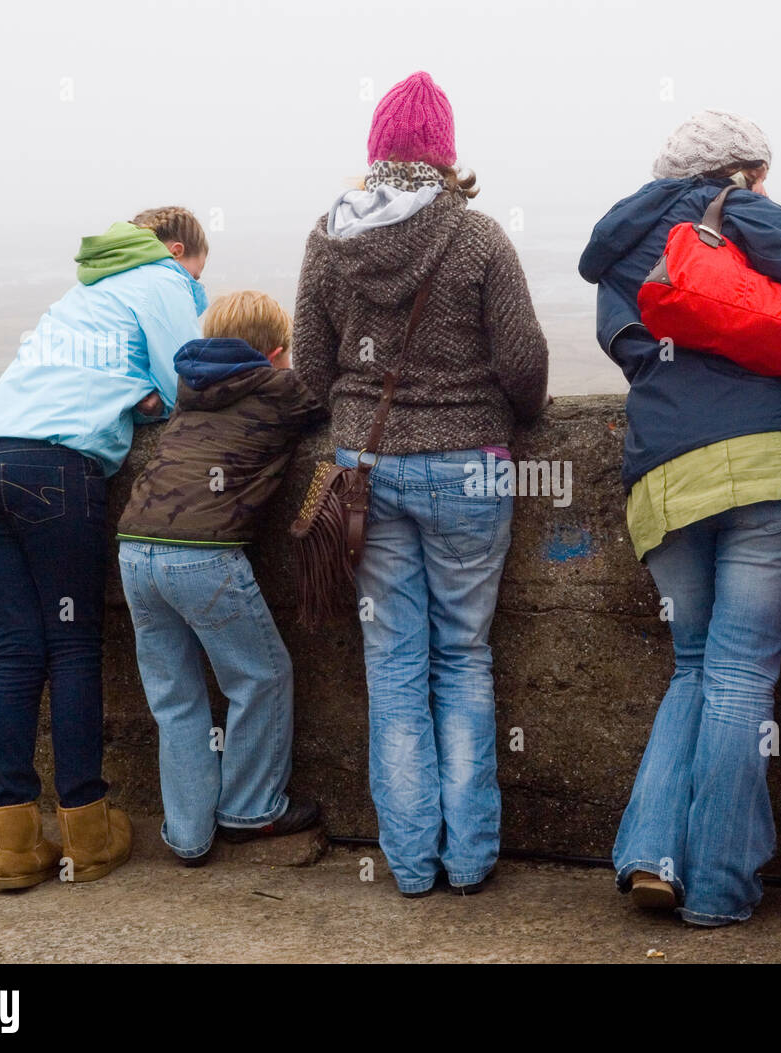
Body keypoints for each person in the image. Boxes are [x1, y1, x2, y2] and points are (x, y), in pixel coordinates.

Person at [578, 110, 781, 926]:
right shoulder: (735, 210)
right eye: (761, 172)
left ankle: (649, 855)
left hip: (660, 480)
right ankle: (723, 886)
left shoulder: (617, 253)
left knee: (693, 666)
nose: (767, 185)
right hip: (765, 470)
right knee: (739, 673)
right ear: (738, 172)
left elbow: (635, 353)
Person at [292, 71, 549, 897]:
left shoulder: (327, 240)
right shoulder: (478, 239)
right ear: (445, 155)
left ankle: (409, 863)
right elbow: (524, 363)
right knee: (464, 656)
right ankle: (470, 858)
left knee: (393, 662)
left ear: (374, 154)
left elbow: (309, 366)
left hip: (367, 473)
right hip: (470, 467)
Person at [0, 206, 209, 889]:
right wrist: (152, 400)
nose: (197, 292)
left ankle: (14, 844)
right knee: (72, 645)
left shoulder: (85, 290)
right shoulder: (162, 278)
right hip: (55, 468)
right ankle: (88, 832)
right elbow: (191, 381)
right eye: (200, 278)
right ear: (180, 250)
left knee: (17, 648)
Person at [116, 291, 326, 865]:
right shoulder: (282, 389)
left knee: (174, 698)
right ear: (278, 351)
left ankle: (187, 835)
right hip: (202, 556)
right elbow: (330, 412)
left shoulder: (190, 389)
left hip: (134, 549)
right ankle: (252, 809)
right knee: (261, 676)